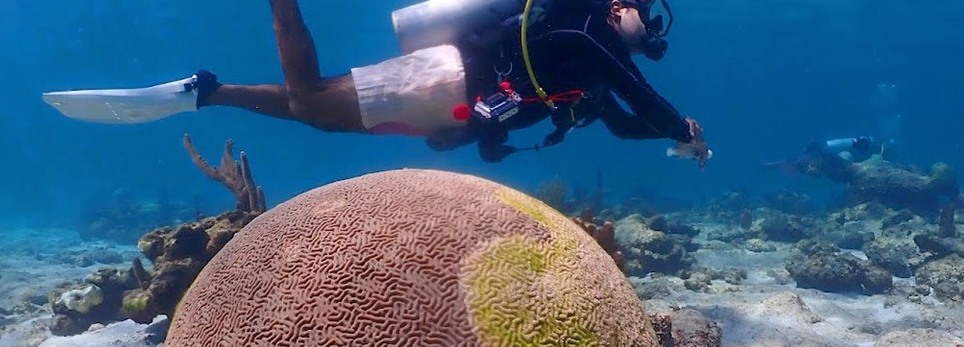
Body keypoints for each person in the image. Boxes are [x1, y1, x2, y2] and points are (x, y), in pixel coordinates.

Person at [43, 0, 712, 166]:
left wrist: (668, 135)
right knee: (314, 102)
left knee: (321, 108)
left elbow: (625, 116)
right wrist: (682, 128)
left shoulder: (595, 69)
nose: (643, 29)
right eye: (643, 16)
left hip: (454, 105)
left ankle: (206, 91)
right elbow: (640, 97)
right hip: (450, 76)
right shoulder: (586, 30)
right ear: (620, 6)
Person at [763, 135, 890, 183]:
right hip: (827, 156)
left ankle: (775, 165)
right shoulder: (837, 153)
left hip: (828, 155)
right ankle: (776, 165)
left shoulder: (840, 151)